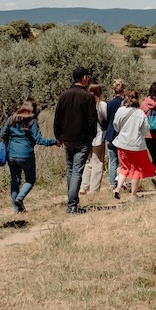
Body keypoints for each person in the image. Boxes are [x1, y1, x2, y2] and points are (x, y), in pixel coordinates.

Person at [0, 99, 58, 212]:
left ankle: (17, 209)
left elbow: (3, 134)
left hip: (11, 155)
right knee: (30, 179)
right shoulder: (31, 121)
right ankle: (20, 198)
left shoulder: (11, 118)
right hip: (26, 154)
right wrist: (55, 141)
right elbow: (39, 140)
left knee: (15, 181)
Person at [54, 66, 98, 213]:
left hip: (67, 139)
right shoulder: (88, 97)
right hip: (82, 140)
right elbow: (92, 120)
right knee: (77, 171)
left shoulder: (63, 95)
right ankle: (72, 205)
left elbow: (57, 118)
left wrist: (58, 136)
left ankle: (72, 202)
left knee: (71, 170)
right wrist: (91, 137)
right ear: (84, 78)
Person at [111, 88, 154, 200]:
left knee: (124, 167)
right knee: (136, 169)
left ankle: (117, 188)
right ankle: (133, 195)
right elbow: (145, 130)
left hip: (122, 143)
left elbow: (115, 125)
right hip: (136, 146)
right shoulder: (141, 114)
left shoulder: (120, 111)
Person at [79, 83, 107, 196]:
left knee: (88, 161)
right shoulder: (101, 104)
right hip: (99, 135)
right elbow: (106, 118)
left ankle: (83, 186)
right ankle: (94, 189)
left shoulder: (84, 103)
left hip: (86, 135)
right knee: (97, 161)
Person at [104, 79, 126, 188]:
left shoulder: (109, 104)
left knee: (112, 161)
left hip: (110, 134)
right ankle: (122, 181)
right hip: (121, 135)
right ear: (123, 91)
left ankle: (112, 183)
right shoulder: (124, 104)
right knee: (123, 160)